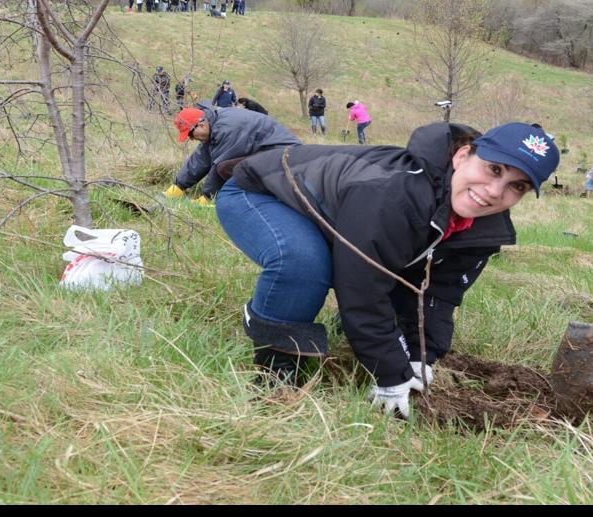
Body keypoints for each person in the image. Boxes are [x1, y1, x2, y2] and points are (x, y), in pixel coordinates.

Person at [215, 122, 559, 417]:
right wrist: (390, 374)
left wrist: (421, 356)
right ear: (462, 156)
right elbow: (361, 287)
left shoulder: (484, 226)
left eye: (517, 186)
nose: (494, 191)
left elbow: (438, 292)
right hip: (261, 193)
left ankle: (353, 339)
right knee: (305, 264)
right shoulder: (395, 192)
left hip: (337, 218)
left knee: (398, 284)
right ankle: (277, 372)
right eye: (493, 169)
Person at [165, 104, 301, 205]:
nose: (192, 139)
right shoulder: (214, 122)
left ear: (201, 125)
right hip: (270, 153)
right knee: (225, 165)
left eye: (190, 134)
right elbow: (201, 158)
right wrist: (178, 186)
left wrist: (207, 197)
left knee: (224, 167)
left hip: (285, 157)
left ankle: (262, 198)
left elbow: (219, 163)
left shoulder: (227, 129)